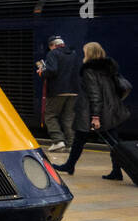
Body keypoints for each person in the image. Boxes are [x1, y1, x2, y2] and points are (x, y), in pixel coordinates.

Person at [53, 42, 129, 180]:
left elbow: (95, 94)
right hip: (108, 110)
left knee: (112, 143)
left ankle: (121, 168)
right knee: (82, 139)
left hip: (93, 112)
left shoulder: (89, 70)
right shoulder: (108, 68)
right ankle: (71, 165)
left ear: (89, 53)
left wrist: (95, 117)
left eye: (85, 52)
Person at [37, 36, 80, 153]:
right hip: (74, 91)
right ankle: (72, 144)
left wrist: (42, 71)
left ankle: (58, 141)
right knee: (68, 117)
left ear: (52, 45)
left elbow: (52, 70)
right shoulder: (74, 54)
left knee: (50, 115)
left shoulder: (53, 54)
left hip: (57, 90)